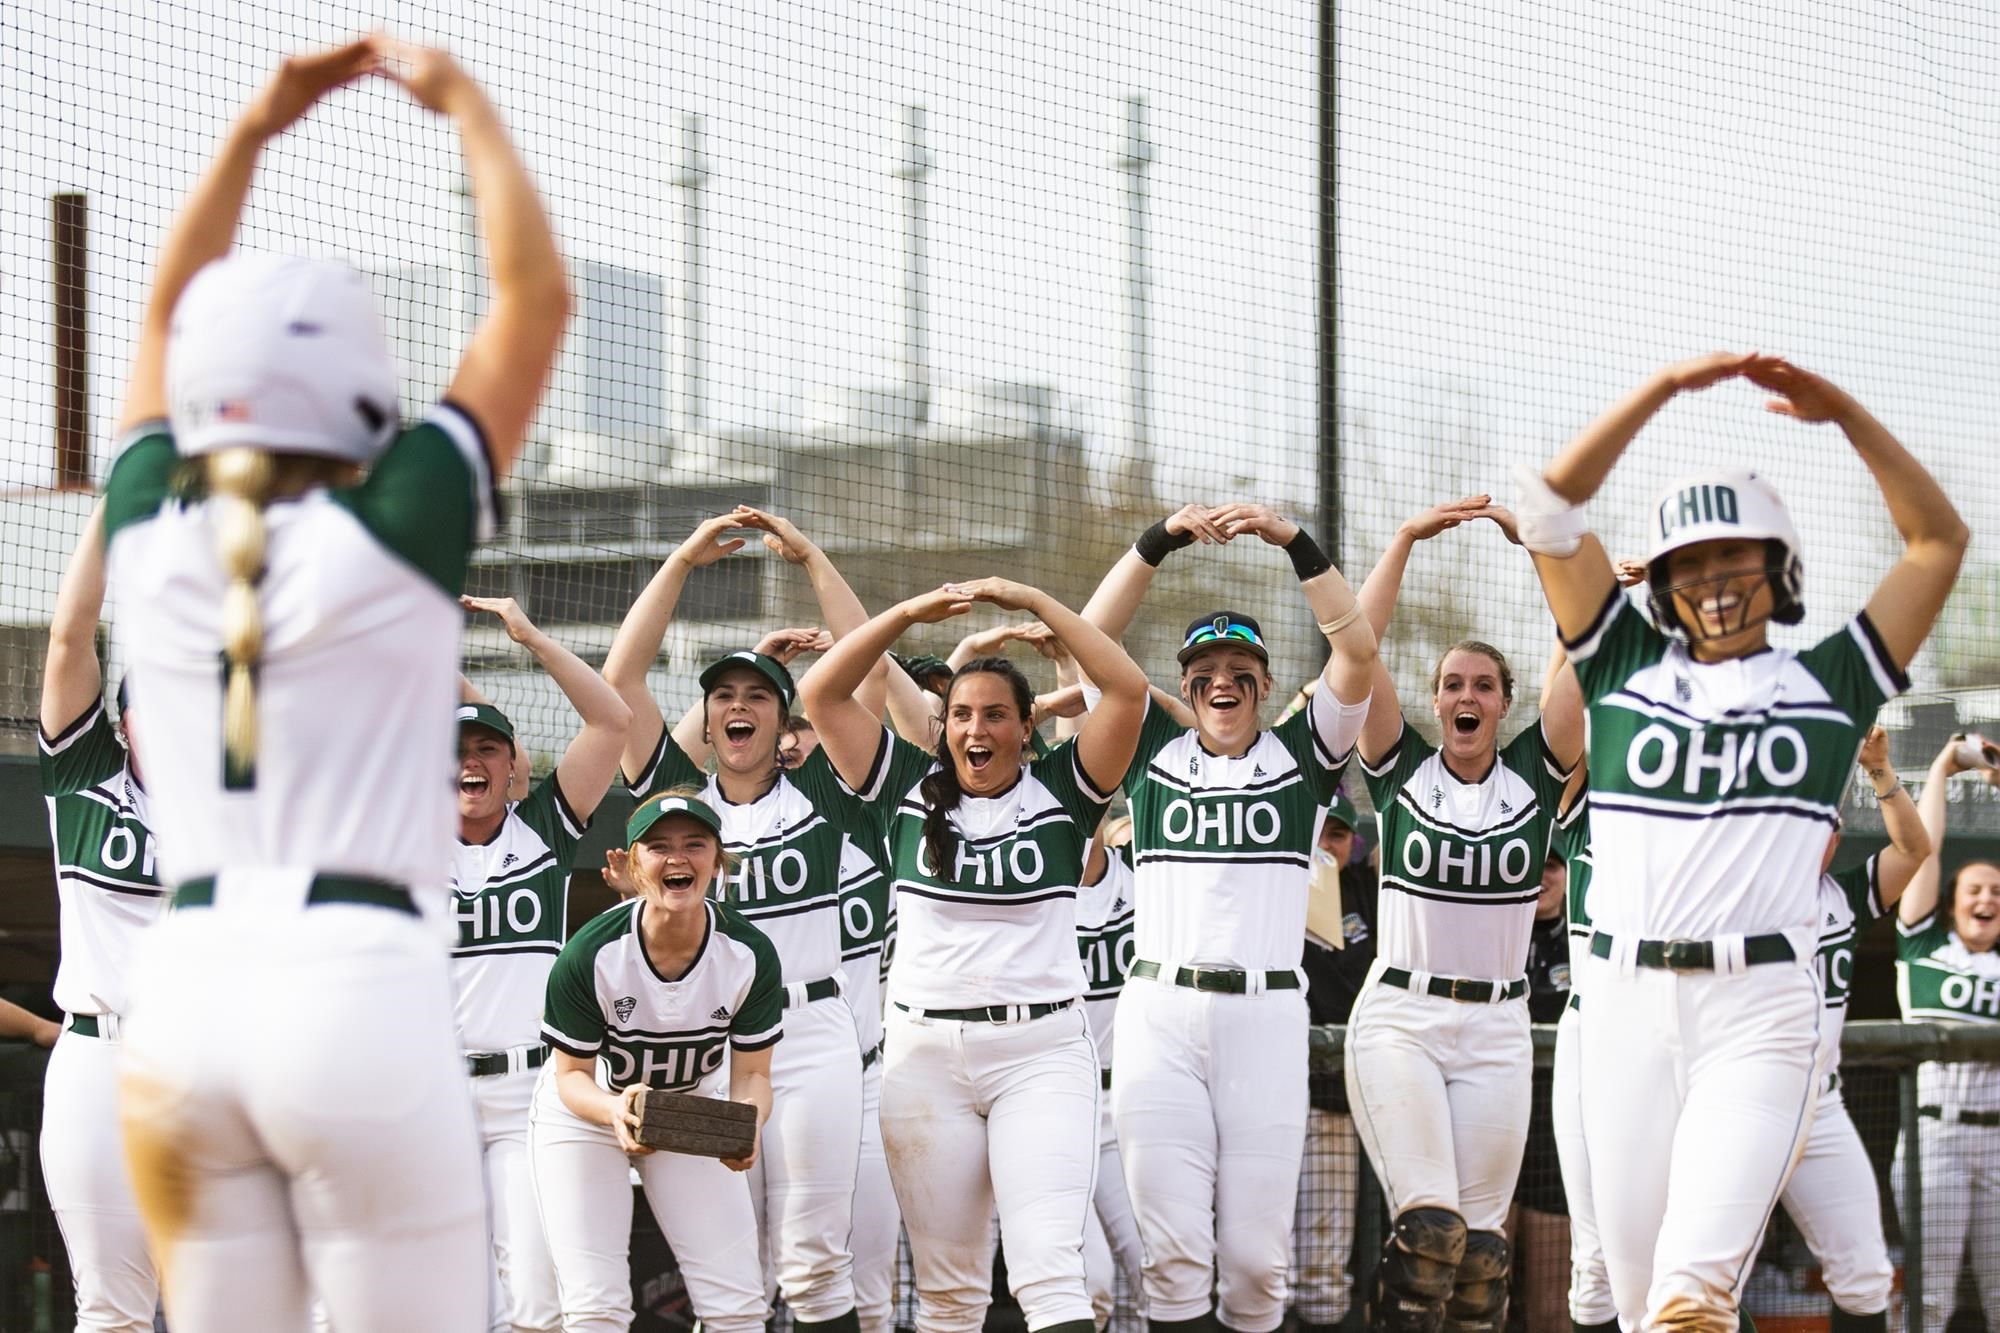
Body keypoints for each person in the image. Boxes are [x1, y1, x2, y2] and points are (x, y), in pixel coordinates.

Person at [101, 35, 568, 1331]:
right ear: (357, 394)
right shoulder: (396, 519)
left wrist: (255, 127)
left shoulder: (146, 520)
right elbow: (532, 304)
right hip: (353, 976)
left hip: (182, 984)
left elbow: (158, 317)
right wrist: (466, 100)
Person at [1515, 352, 1967, 1330]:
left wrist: (1842, 408)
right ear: (1663, 583)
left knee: (1690, 1294)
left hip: (1760, 1013)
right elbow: (1546, 506)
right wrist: (1661, 389)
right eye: (1688, 564)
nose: (1711, 581)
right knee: (1637, 1310)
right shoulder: (1619, 664)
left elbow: (1935, 541)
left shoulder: (1830, 681)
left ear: (1778, 565)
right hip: (1621, 1008)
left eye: (1734, 557)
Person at [800, 577, 1149, 1333]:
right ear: (943, 725)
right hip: (924, 1058)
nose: (975, 727)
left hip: (1043, 1052)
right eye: (960, 714)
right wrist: (904, 614)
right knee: (950, 1295)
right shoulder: (905, 788)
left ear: (1028, 726)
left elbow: (1126, 690)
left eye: (995, 714)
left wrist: (1037, 602)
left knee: (1052, 1274)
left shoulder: (1065, 789)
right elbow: (823, 694)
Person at [1078, 501, 1377, 1333]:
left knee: (1255, 1262)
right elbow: (1086, 640)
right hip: (1160, 1015)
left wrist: (1291, 542)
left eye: (1239, 665)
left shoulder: (1301, 760)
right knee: (1171, 1261)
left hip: (1266, 1015)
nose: (1221, 680)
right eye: (1204, 667)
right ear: (1184, 682)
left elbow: (1355, 650)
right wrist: (1158, 541)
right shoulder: (1148, 754)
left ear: (1265, 682)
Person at [604, 507, 883, 1333]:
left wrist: (811, 556)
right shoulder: (679, 812)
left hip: (812, 1041)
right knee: (730, 1276)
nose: (738, 705)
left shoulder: (830, 796)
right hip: (707, 1053)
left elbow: (861, 670)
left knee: (813, 1260)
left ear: (784, 717)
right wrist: (684, 557)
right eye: (723, 694)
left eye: (757, 694)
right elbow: (620, 683)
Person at [1345, 497, 1582, 1333]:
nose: (1465, 694)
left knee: (1481, 1265)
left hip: (1498, 1027)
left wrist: (1547, 551)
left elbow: (1584, 649)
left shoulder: (1534, 774)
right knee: (1431, 1235)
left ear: (1505, 702)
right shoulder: (1401, 769)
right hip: (1404, 1016)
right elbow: (1355, 647)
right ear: (1437, 701)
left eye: (1483, 684)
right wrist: (1403, 537)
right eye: (1452, 684)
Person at [534, 791, 782, 1333]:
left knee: (739, 1308)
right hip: (588, 1111)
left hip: (687, 1107)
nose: (677, 858)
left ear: (718, 861)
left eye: (695, 844)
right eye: (658, 846)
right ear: (634, 863)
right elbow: (571, 1077)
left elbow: (754, 1075)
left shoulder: (749, 953)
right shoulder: (591, 952)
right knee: (595, 1309)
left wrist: (746, 1124)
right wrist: (614, 1111)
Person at [452, 596, 630, 1333]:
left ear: (512, 764)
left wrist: (530, 638)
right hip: (434, 1095)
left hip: (530, 1090)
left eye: (489, 748)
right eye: (456, 750)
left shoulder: (545, 831)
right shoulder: (394, 843)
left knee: (535, 1298)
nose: (471, 761)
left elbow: (613, 722)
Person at [38, 506, 166, 1333]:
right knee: (112, 1309)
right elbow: (68, 636)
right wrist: (114, 505)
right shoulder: (84, 778)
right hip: (97, 1055)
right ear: (123, 723)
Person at [1770, 726, 1929, 1333]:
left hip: (1821, 1105)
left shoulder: (1844, 895)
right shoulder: (1734, 896)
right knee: (1708, 1274)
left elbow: (1914, 851)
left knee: (1865, 1277)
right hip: (1745, 1101)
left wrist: (1882, 771)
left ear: (1834, 838)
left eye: (1822, 826)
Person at [1894, 734, 2000, 1333]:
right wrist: (1940, 769)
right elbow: (1923, 855)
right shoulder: (1925, 948)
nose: (1986, 898)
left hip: (1999, 1142)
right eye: (1974, 889)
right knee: (1928, 1299)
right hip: (1936, 1137)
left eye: (1996, 892)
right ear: (1954, 903)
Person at [1292, 788, 1375, 1333]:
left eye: (1339, 835)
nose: (1329, 844)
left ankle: (1323, 1318)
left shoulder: (1368, 889)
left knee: (1331, 1234)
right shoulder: (1278, 887)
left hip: (1343, 1091)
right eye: (1321, 831)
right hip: (1274, 1085)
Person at [1076, 815, 1144, 1329]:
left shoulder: (1142, 879)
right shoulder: (1024, 892)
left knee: (1157, 1268)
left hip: (1125, 1105)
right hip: (1056, 1108)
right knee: (1088, 1286)